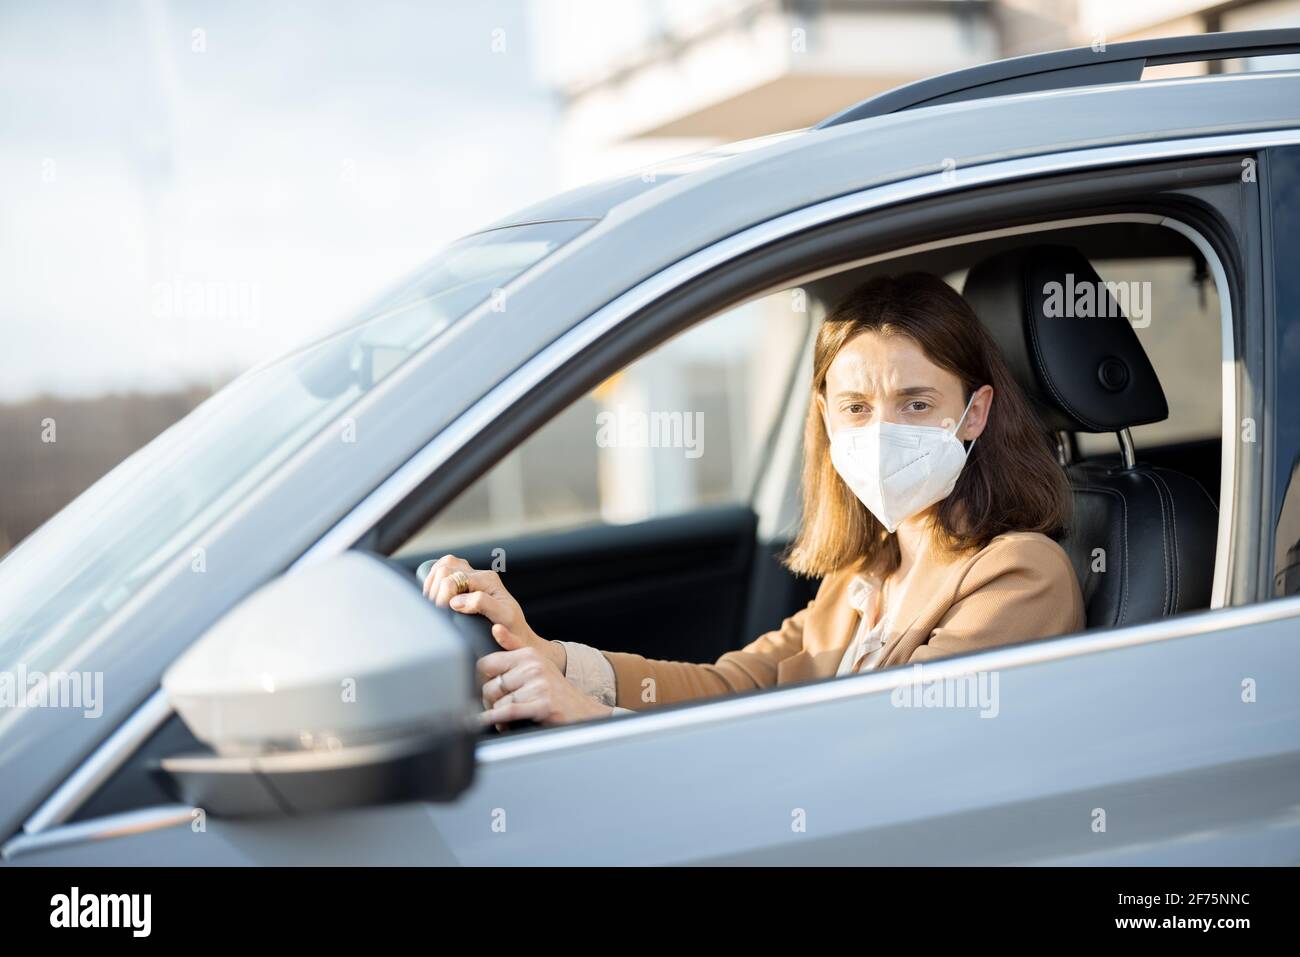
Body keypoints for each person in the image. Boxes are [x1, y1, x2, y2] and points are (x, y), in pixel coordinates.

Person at [425, 272, 1084, 728]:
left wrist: (596, 720)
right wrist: (550, 656)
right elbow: (735, 686)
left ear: (974, 413)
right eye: (855, 407)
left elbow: (879, 752)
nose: (882, 432)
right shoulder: (863, 576)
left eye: (916, 403)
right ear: (825, 418)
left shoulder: (1020, 573)